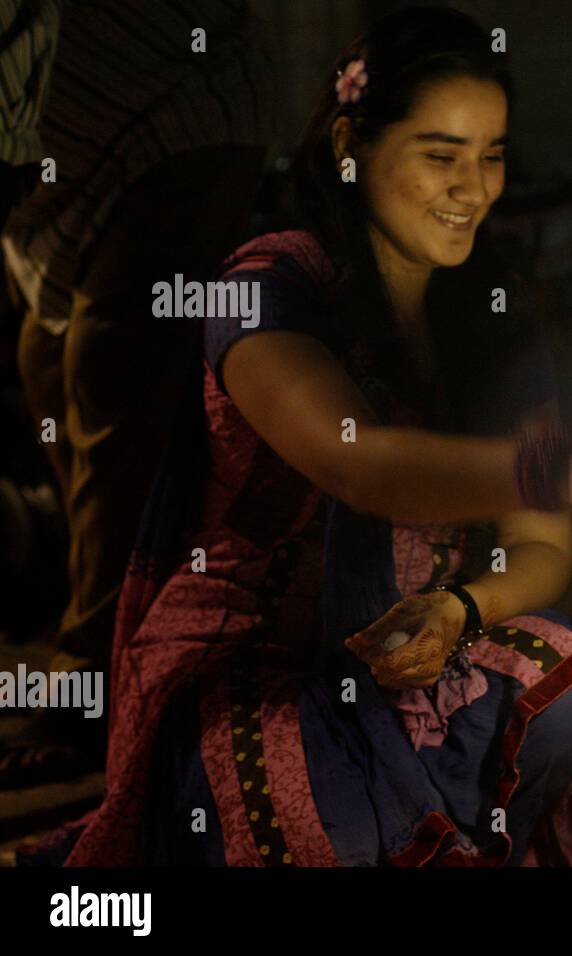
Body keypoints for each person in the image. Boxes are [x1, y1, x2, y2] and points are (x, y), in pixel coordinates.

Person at [26, 7, 572, 867]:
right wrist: (556, 467)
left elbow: (539, 548)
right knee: (321, 815)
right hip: (259, 650)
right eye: (440, 155)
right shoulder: (267, 285)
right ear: (350, 144)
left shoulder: (490, 312)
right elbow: (359, 461)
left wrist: (459, 608)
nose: (474, 187)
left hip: (417, 636)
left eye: (491, 156)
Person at [1, 0, 272, 786]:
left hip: (176, 106)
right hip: (74, 147)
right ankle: (130, 636)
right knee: (49, 372)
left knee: (111, 375)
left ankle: (97, 686)